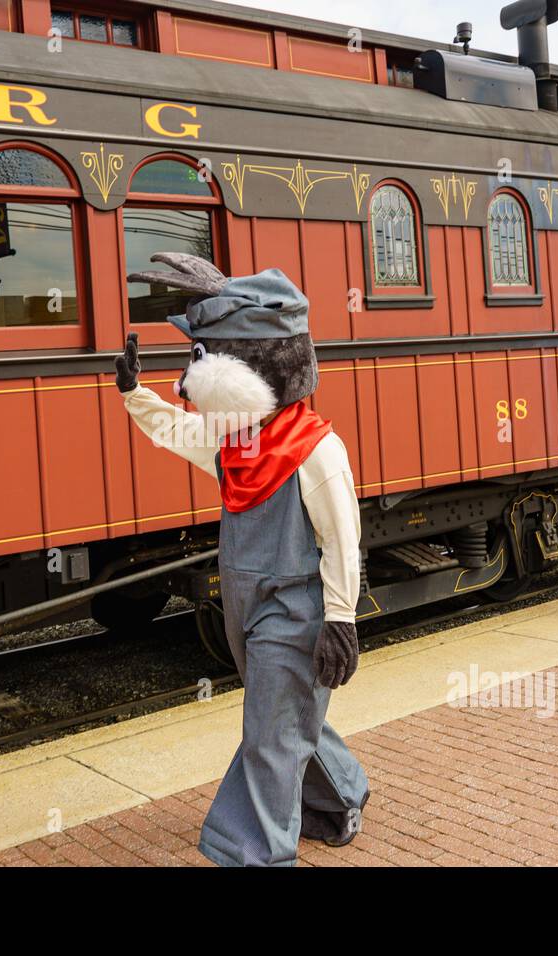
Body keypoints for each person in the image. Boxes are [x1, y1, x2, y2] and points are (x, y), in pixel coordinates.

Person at [115, 253, 370, 866]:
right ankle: (340, 795)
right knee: (281, 716)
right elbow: (180, 433)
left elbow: (341, 540)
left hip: (295, 608)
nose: (190, 380)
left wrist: (341, 617)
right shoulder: (238, 442)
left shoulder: (316, 450)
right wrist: (134, 395)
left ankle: (250, 852)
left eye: (205, 359)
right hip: (244, 604)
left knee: (270, 732)